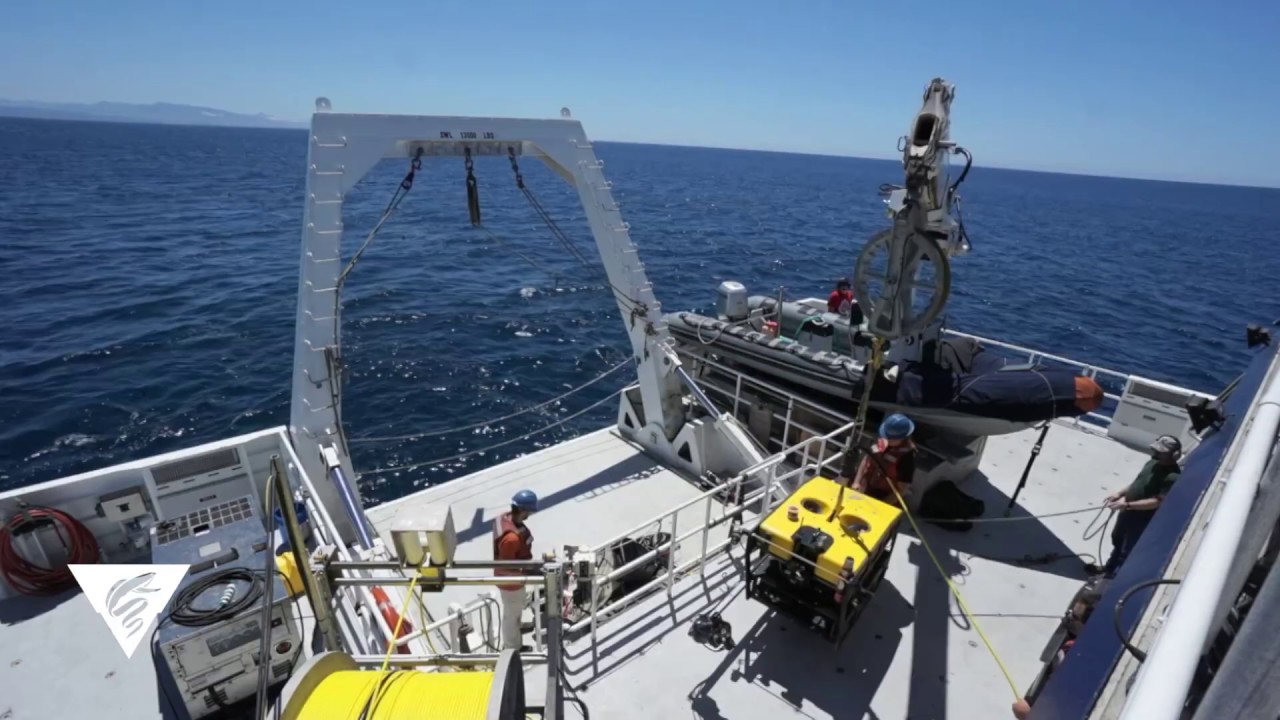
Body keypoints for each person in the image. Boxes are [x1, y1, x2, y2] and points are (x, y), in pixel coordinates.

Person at [1085, 435, 1182, 578]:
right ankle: (1109, 569)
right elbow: (1137, 482)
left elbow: (1157, 502)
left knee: (1127, 550)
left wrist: (1128, 505)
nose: (1156, 454)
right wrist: (1119, 494)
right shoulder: (1152, 463)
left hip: (1140, 518)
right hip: (1126, 511)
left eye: (1161, 452)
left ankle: (1112, 580)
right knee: (1117, 540)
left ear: (1174, 455)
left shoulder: (1172, 476)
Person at [493, 489, 539, 650]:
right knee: (511, 616)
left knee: (515, 610)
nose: (529, 516)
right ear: (523, 510)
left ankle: (516, 628)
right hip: (511, 583)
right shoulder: (511, 539)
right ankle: (513, 648)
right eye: (529, 512)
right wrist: (530, 570)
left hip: (512, 579)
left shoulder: (503, 518)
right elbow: (506, 565)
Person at [847, 413, 918, 504]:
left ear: (903, 438)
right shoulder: (882, 441)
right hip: (864, 487)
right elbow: (867, 459)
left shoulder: (907, 458)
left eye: (891, 439)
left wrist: (883, 504)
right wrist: (857, 482)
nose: (887, 440)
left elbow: (902, 489)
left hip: (882, 496)